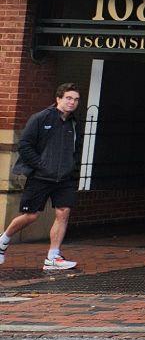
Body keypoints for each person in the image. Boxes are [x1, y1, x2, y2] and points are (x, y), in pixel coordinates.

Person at [1, 83, 84, 272]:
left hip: (65, 178)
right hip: (40, 177)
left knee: (63, 213)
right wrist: (41, 166)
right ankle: (3, 240)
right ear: (58, 99)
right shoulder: (41, 118)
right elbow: (25, 145)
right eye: (68, 98)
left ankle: (53, 256)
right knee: (30, 215)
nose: (72, 102)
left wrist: (72, 169)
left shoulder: (74, 122)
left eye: (76, 99)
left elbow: (75, 149)